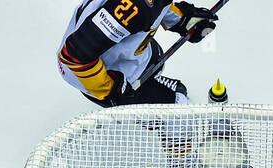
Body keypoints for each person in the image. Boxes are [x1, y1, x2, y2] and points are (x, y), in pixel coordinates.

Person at [58, 0, 219, 107]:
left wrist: (182, 20)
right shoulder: (134, 6)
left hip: (95, 47)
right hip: (85, 75)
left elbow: (155, 5)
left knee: (153, 57)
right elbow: (75, 56)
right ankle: (184, 159)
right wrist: (113, 90)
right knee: (180, 119)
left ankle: (151, 81)